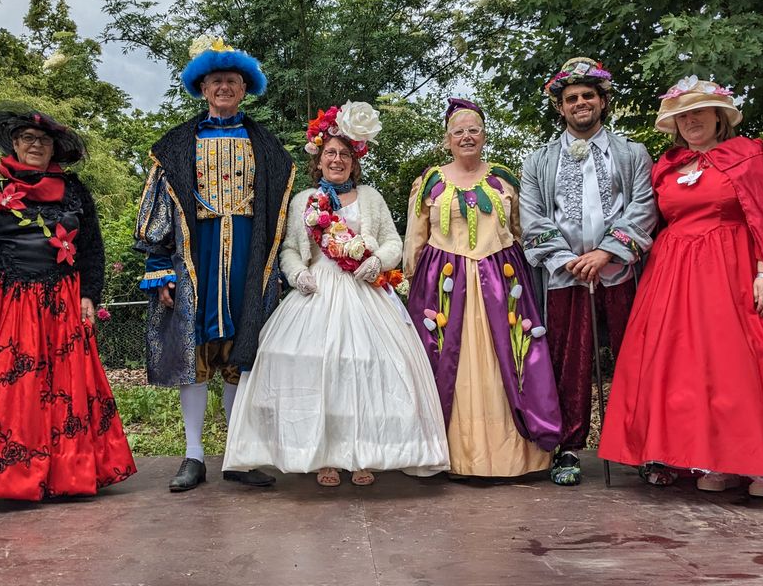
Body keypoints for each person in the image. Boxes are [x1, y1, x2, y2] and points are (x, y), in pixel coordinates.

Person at [598, 77, 763, 500]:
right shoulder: (667, 167)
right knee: (693, 369)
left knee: (746, 364)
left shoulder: (748, 157)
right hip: (675, 277)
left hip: (734, 270)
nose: (691, 121)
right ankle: (712, 460)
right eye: (683, 115)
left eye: (699, 111)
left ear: (720, 117)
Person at [224, 102, 449, 486]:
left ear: (354, 160)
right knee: (315, 369)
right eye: (330, 152)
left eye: (344, 154)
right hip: (317, 292)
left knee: (363, 368)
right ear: (319, 158)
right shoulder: (303, 201)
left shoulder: (371, 198)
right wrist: (297, 274)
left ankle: (362, 454)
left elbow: (394, 242)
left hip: (364, 290)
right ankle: (322, 457)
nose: (337, 159)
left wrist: (378, 260)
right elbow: (291, 250)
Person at [0, 105, 136, 499]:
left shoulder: (75, 190)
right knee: (14, 389)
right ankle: (11, 477)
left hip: (61, 303)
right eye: (28, 139)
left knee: (64, 389)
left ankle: (65, 474)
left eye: (43, 141)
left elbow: (91, 248)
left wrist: (89, 294)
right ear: (14, 143)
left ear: (54, 149)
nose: (35, 145)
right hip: (5, 305)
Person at [134, 36, 295, 492]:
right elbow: (158, 208)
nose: (224, 87)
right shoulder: (176, 144)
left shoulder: (268, 147)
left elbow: (281, 214)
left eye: (232, 81)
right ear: (202, 88)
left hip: (250, 253)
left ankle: (238, 455)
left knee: (240, 353)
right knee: (195, 352)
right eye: (215, 81)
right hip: (194, 254)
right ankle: (193, 454)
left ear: (245, 89)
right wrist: (159, 265)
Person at [404, 98, 562, 478]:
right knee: (444, 362)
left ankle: (513, 456)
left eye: (473, 129)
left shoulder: (504, 178)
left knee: (511, 361)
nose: (466, 137)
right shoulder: (430, 181)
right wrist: (410, 279)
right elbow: (416, 236)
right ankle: (449, 456)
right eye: (458, 131)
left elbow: (524, 230)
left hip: (503, 280)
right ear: (446, 140)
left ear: (485, 135)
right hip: (442, 282)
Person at [519, 58, 658, 486]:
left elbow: (644, 205)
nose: (580, 103)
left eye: (587, 96)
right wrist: (569, 261)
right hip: (565, 276)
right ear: (559, 107)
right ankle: (569, 448)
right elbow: (534, 217)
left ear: (603, 101)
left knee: (636, 359)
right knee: (567, 363)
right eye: (571, 98)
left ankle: (646, 449)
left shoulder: (632, 153)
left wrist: (607, 253)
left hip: (620, 272)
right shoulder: (538, 161)